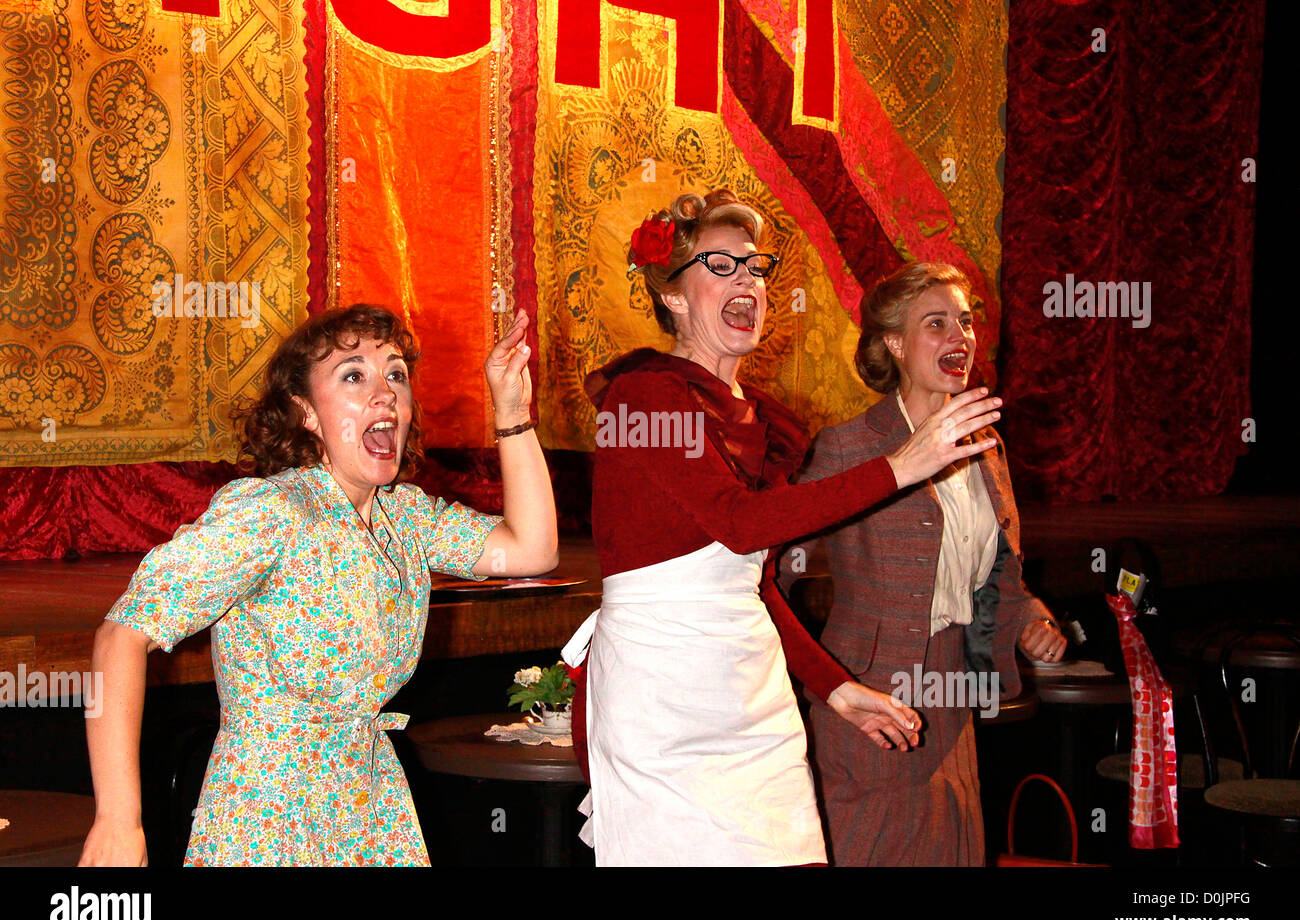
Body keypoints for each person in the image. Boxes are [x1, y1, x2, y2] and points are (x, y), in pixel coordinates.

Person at [562, 191, 1004, 865]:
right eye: (721, 265)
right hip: (663, 697)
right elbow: (739, 525)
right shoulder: (644, 395)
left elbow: (756, 585)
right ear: (674, 297)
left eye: (756, 268)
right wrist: (902, 466)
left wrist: (837, 688)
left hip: (753, 696)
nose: (748, 280)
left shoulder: (757, 418)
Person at [79, 304, 556, 866]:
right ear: (306, 413)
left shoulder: (405, 516)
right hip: (268, 819)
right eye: (354, 375)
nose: (385, 393)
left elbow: (534, 548)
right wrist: (117, 820)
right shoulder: (271, 512)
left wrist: (510, 409)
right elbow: (120, 636)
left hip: (371, 809)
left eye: (396, 374)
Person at [783, 261, 1065, 866]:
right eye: (936, 323)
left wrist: (1030, 621)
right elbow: (774, 565)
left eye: (964, 321)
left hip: (952, 694)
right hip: (869, 696)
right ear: (895, 344)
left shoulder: (987, 447)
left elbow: (998, 577)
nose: (959, 337)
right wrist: (801, 675)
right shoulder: (849, 447)